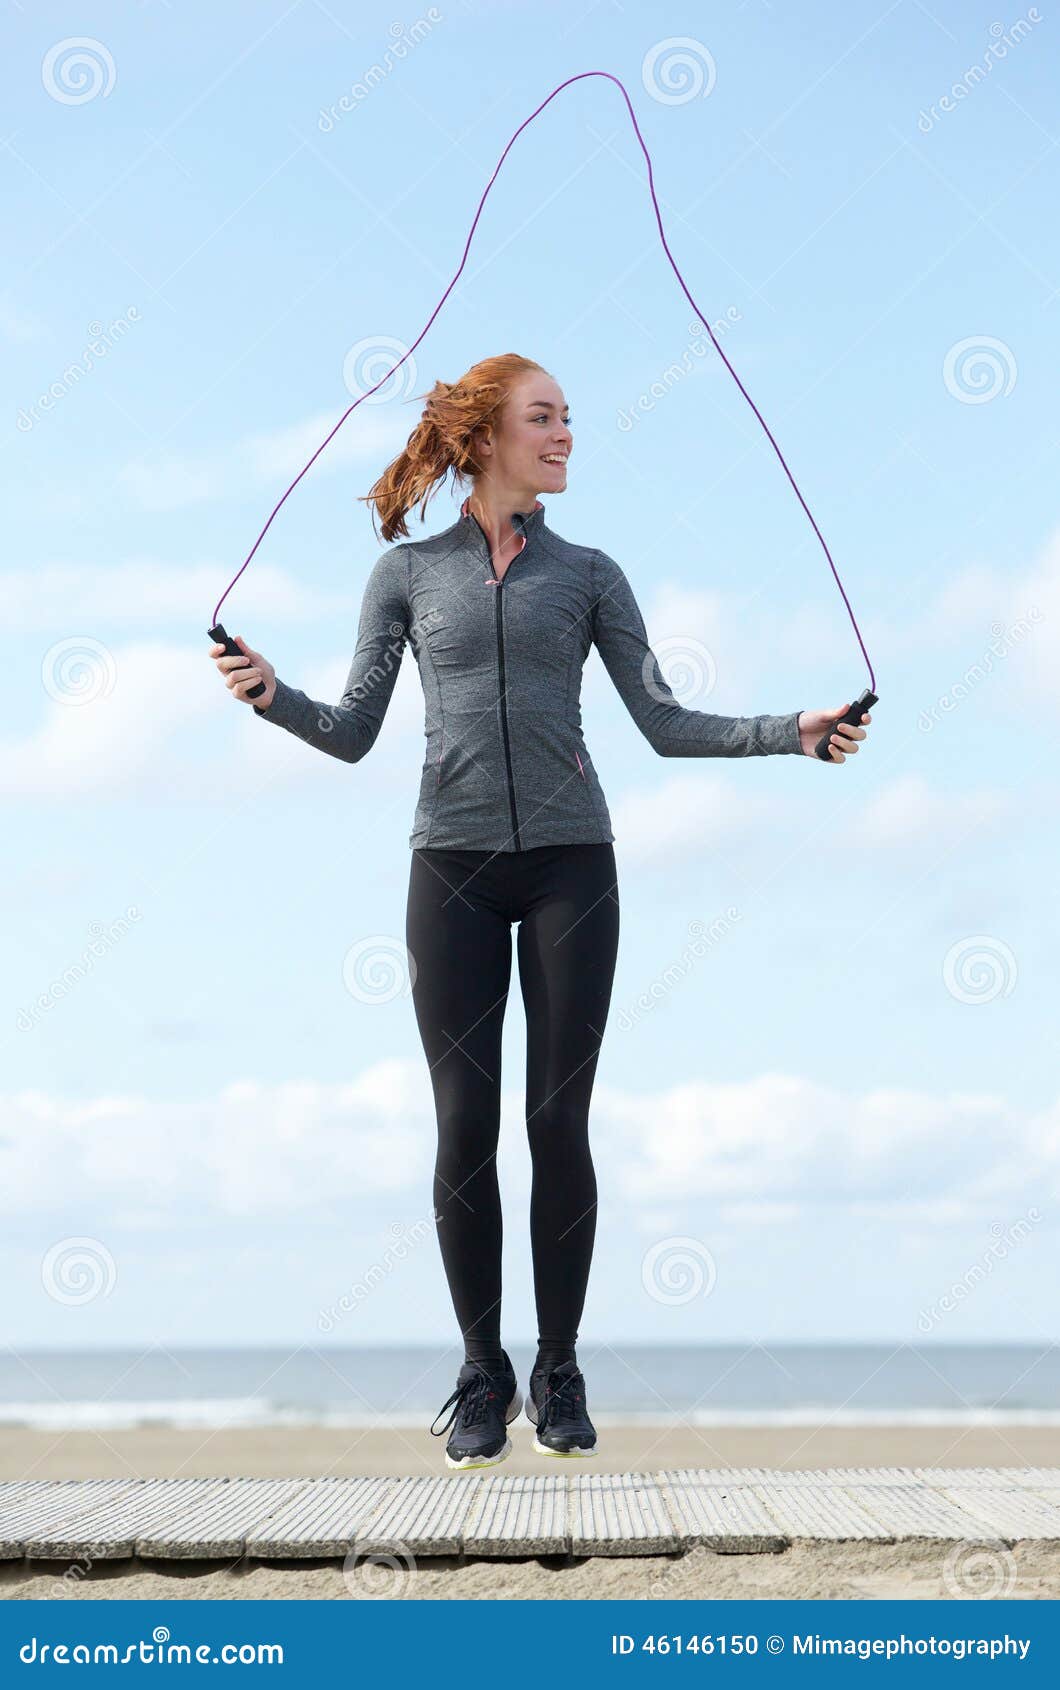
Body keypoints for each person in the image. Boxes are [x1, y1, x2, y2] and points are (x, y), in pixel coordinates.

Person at [209, 352, 872, 1471]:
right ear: (483, 437)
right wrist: (273, 698)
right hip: (451, 869)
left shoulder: (591, 573)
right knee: (464, 1127)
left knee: (555, 1123)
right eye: (544, 418)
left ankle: (557, 1365)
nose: (566, 435)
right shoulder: (409, 575)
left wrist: (788, 731)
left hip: (572, 864)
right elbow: (355, 726)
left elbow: (660, 720)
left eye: (568, 417)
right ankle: (482, 1371)